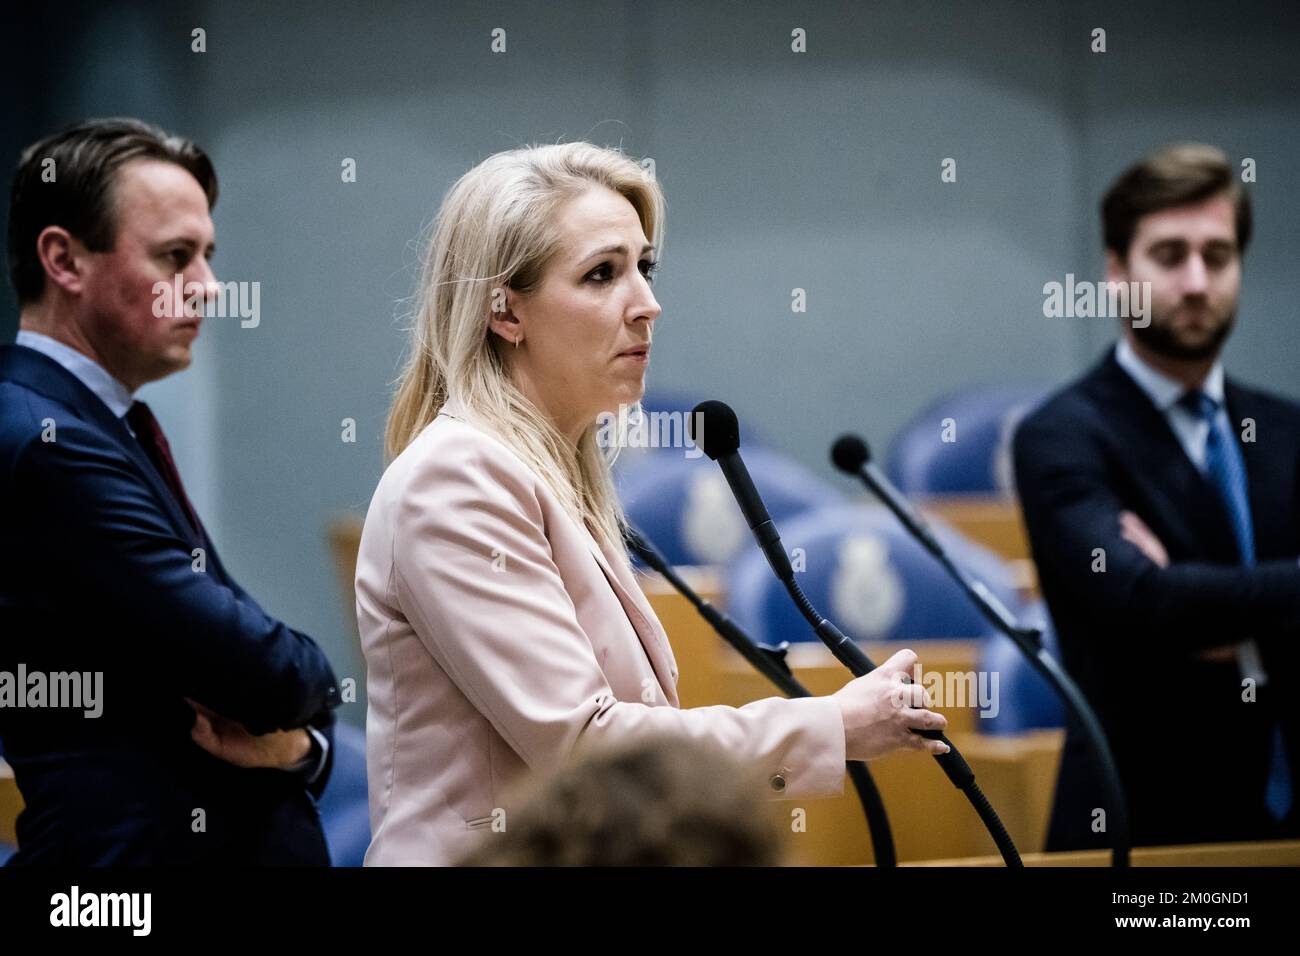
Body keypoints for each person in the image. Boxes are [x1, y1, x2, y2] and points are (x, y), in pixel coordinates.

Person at [355, 141, 949, 866]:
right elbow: (584, 746)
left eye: (644, 267)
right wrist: (832, 725)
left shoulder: (547, 472)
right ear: (505, 312)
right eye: (602, 274)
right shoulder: (456, 481)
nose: (647, 304)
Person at [0, 118, 340, 864]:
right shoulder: (45, 443)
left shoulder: (98, 421)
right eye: (175, 258)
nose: (210, 289)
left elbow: (254, 663)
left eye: (208, 257)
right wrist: (317, 686)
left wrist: (298, 743)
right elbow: (263, 668)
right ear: (63, 260)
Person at [1014, 143, 1300, 850]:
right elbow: (1143, 602)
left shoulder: (1288, 430)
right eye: (1170, 256)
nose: (1198, 281)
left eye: (1218, 255)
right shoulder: (1062, 435)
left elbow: (1178, 605)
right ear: (1117, 273)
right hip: (1141, 825)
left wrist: (1202, 604)